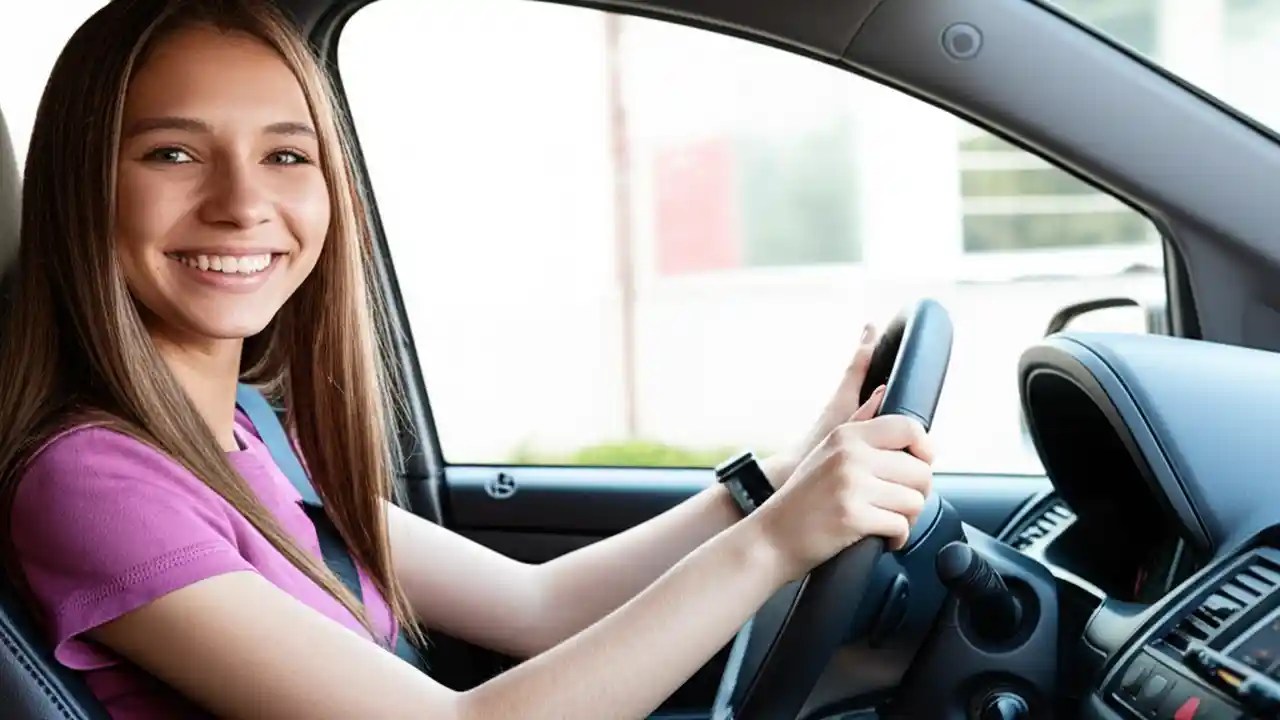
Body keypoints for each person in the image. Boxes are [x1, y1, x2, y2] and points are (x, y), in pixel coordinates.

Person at [0, 1, 934, 718]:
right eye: (172, 153)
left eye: (288, 157)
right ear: (84, 186)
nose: (244, 203)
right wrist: (774, 544)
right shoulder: (90, 483)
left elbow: (538, 606)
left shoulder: (246, 432)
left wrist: (778, 477)